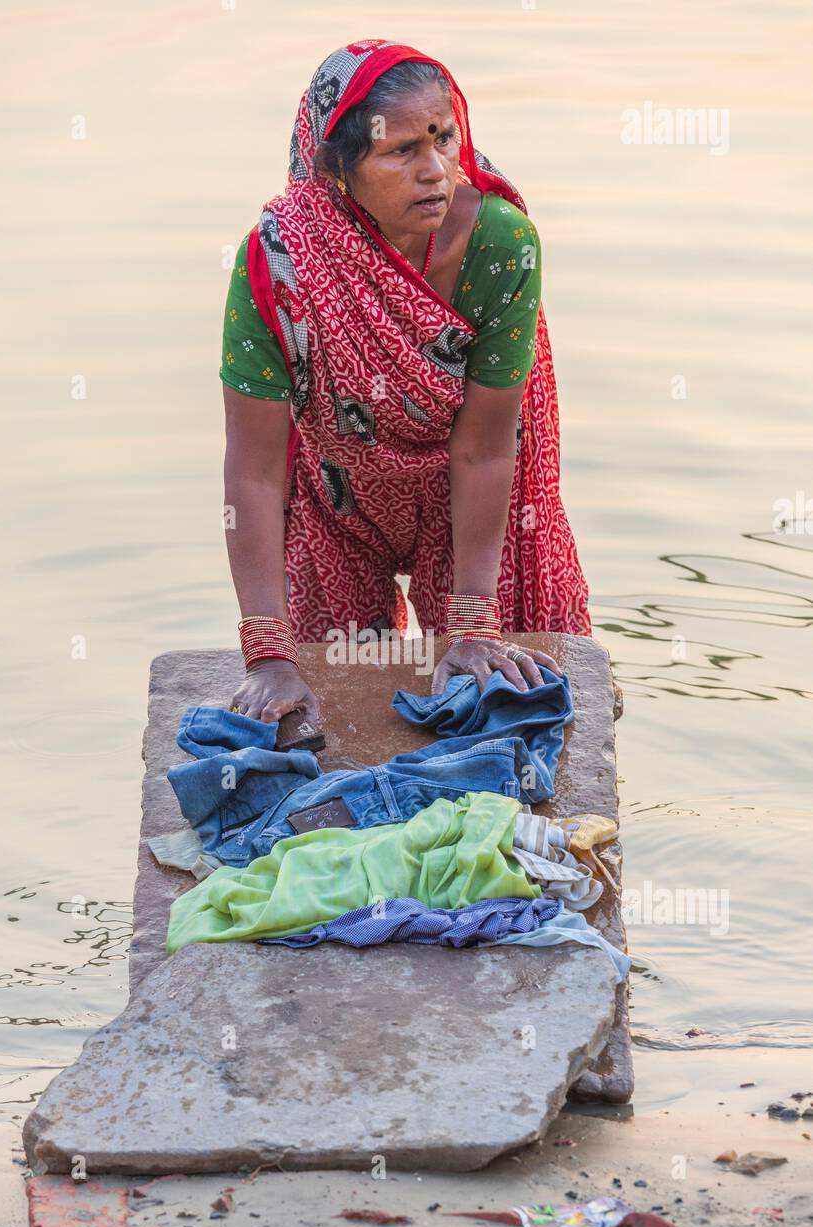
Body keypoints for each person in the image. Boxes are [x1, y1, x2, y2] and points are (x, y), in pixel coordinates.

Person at [222, 38, 590, 727]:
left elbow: (484, 448)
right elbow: (255, 471)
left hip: (477, 493)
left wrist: (474, 626)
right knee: (324, 713)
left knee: (515, 702)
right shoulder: (280, 264)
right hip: (340, 491)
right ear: (338, 171)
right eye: (402, 152)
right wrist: (267, 653)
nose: (437, 172)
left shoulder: (501, 245)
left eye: (444, 139)